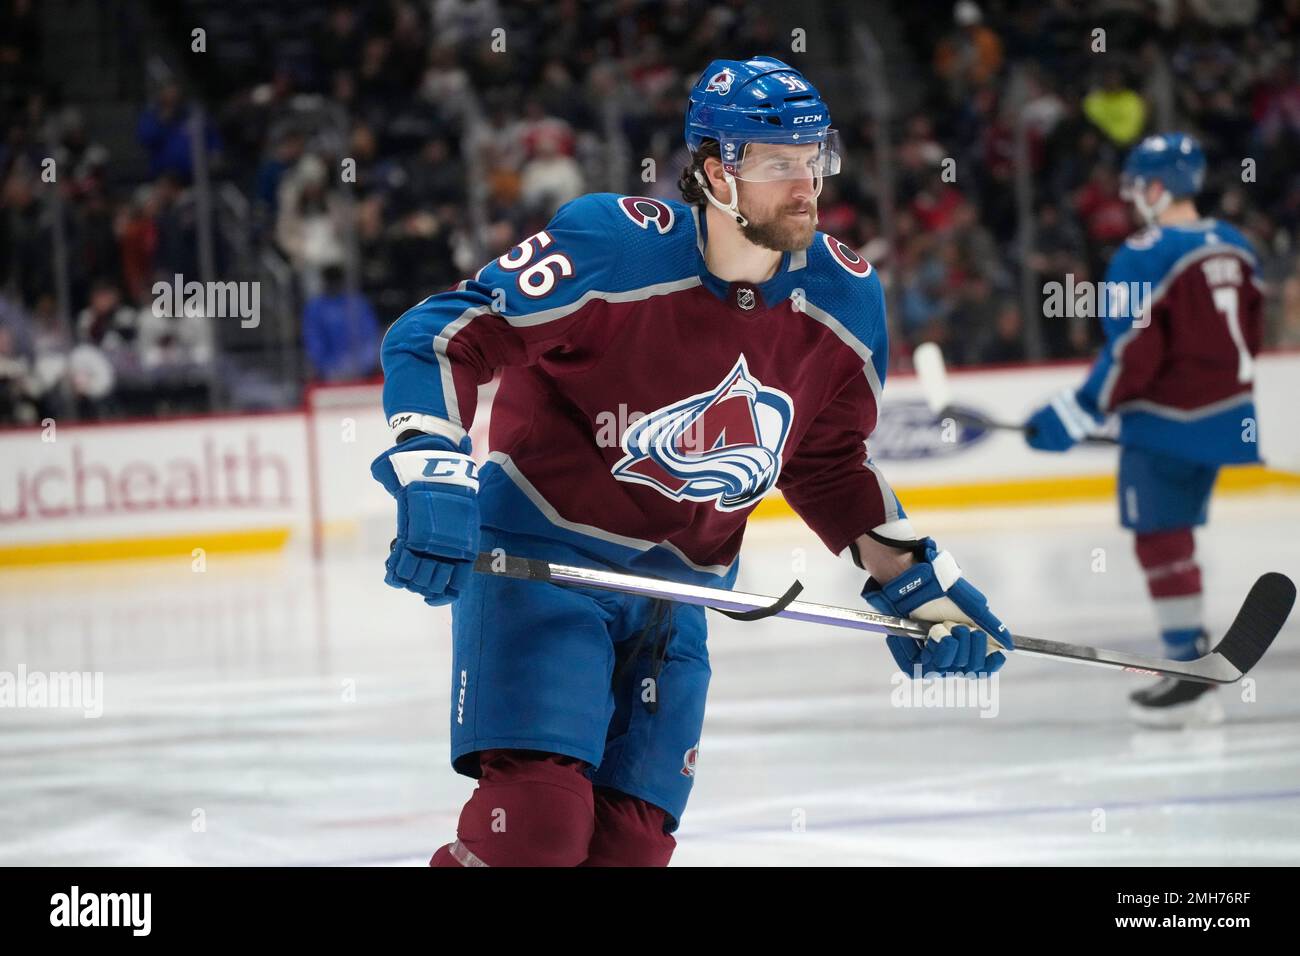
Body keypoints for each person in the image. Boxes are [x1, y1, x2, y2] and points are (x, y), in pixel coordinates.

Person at [372, 56, 1013, 867]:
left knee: (628, 850)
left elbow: (822, 460)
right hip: (542, 565)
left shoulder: (845, 299)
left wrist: (916, 579)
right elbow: (440, 335)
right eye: (780, 164)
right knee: (536, 828)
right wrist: (433, 468)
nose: (806, 184)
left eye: (815, 159)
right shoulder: (612, 248)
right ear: (716, 172)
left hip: (678, 597)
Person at [1024, 133, 1263, 728]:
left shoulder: (1143, 253)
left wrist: (1076, 411)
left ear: (1156, 188)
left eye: (1135, 188)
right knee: (1174, 532)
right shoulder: (1238, 245)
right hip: (1229, 416)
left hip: (1165, 424)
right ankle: (1191, 657)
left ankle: (1187, 666)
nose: (1132, 201)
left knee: (1160, 536)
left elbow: (1130, 353)